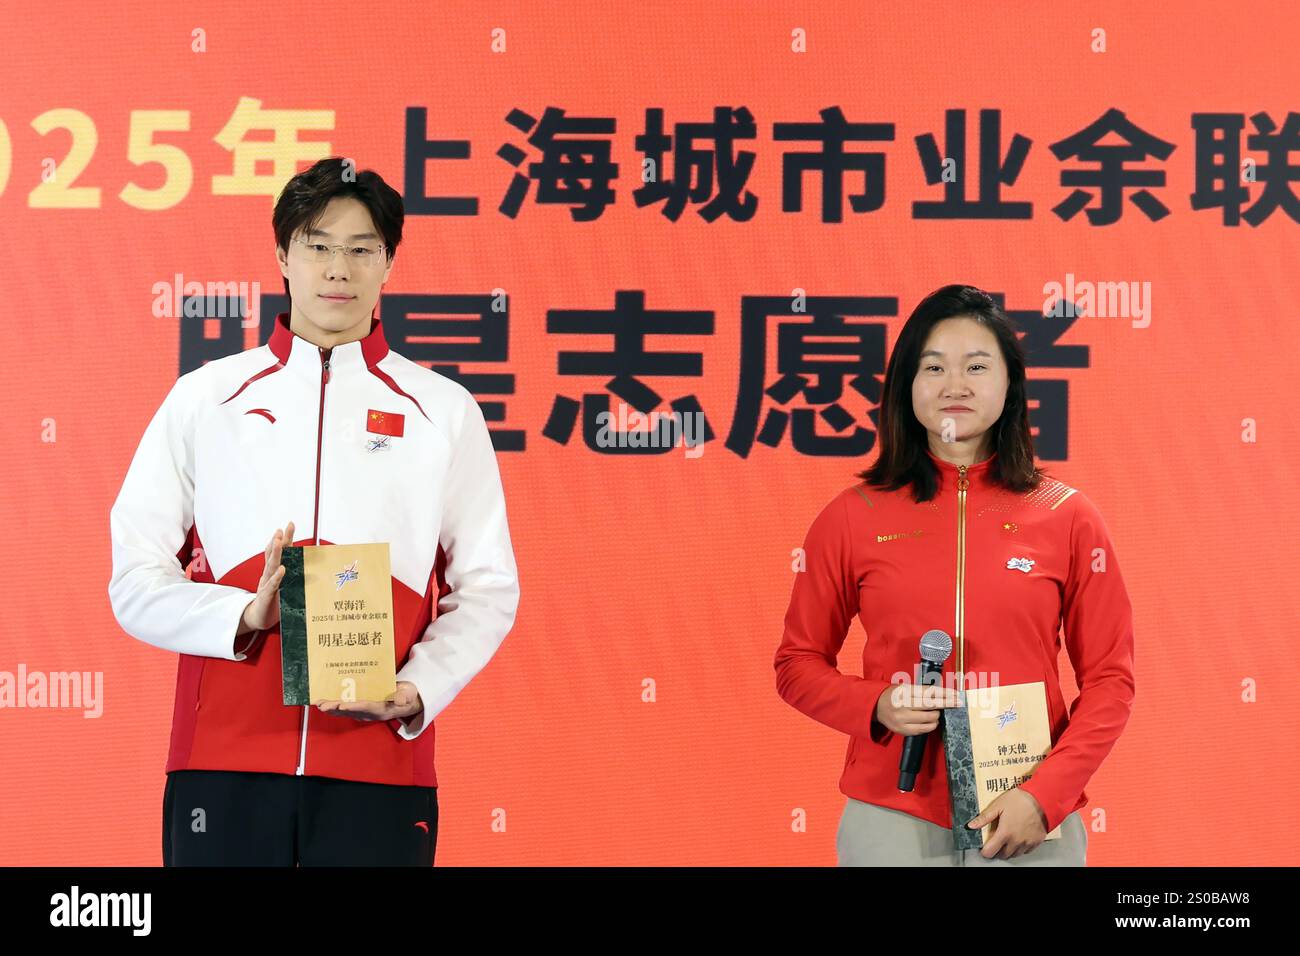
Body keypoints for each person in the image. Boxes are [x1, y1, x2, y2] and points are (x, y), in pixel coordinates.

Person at [108, 157, 520, 866]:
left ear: (388, 264)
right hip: (222, 766)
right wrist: (243, 616)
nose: (339, 268)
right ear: (282, 255)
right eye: (318, 244)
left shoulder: (442, 411)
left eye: (362, 249)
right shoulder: (208, 399)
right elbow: (134, 580)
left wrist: (419, 690)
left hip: (379, 771)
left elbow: (488, 588)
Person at [774, 284, 1135, 866]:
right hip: (893, 814)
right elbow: (796, 665)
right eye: (933, 367)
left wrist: (1046, 797)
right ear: (906, 387)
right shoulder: (853, 515)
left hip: (1027, 816)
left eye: (976, 365)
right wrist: (877, 705)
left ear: (1010, 384)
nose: (955, 385)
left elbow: (1111, 682)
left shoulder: (1068, 516)